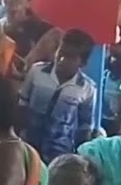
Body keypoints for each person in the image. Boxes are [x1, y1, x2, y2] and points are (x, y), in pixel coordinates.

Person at [18, 29, 98, 162]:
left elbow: (85, 128)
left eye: (70, 57)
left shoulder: (87, 88)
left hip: (59, 153)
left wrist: (78, 157)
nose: (61, 59)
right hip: (28, 146)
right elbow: (22, 105)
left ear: (82, 63)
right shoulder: (37, 72)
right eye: (60, 52)